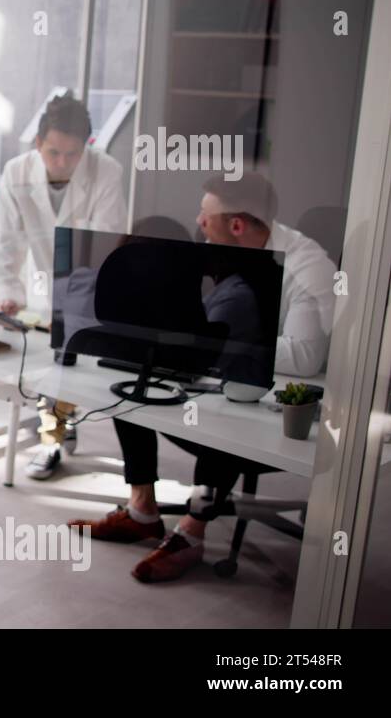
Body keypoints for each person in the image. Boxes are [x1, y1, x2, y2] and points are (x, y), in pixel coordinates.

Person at [70, 172, 337, 582]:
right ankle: (142, 511)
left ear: (236, 225)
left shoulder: (307, 266)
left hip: (282, 406)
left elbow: (304, 356)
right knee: (135, 379)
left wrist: (224, 346)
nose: (198, 221)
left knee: (223, 413)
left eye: (206, 214)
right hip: (224, 375)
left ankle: (192, 535)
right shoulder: (219, 251)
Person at [0, 93, 127, 479]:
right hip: (41, 284)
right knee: (46, 367)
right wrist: (7, 290)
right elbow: (4, 238)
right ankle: (56, 433)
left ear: (87, 147)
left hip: (93, 286)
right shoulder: (17, 172)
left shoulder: (107, 172)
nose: (62, 163)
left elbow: (103, 245)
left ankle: (56, 434)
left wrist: (75, 303)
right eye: (53, 152)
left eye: (72, 154)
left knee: (71, 367)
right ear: (38, 144)